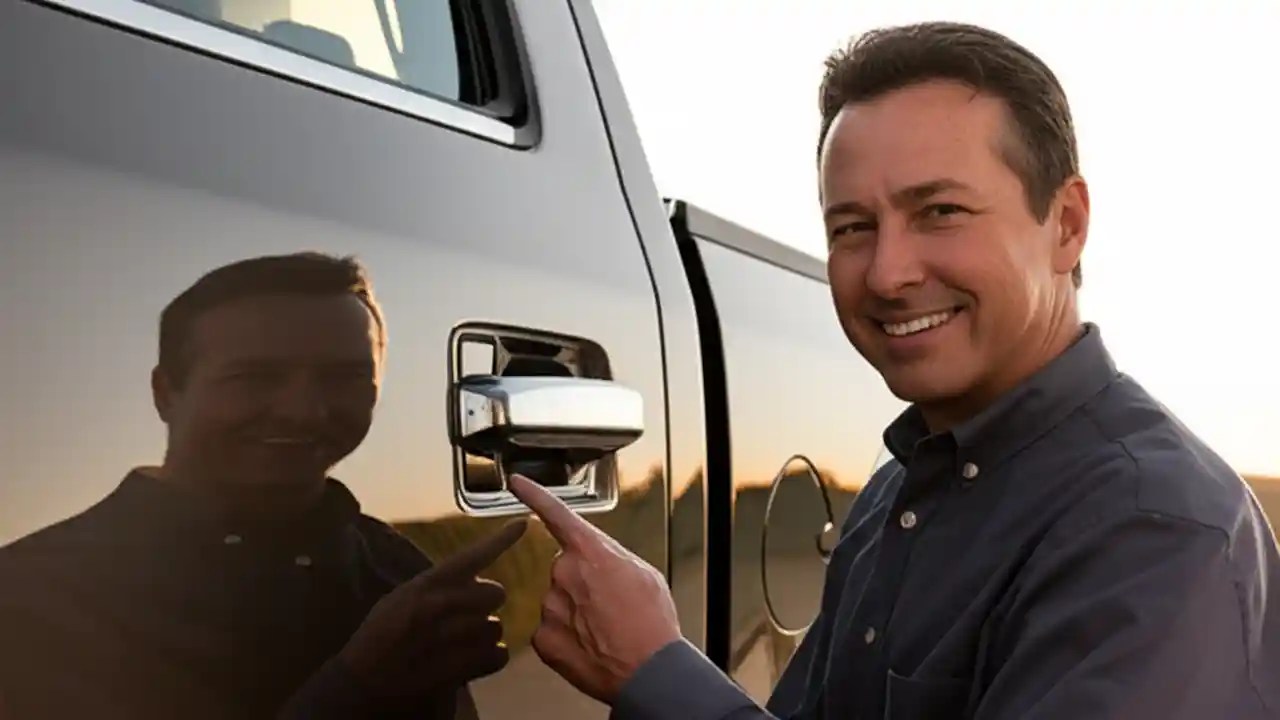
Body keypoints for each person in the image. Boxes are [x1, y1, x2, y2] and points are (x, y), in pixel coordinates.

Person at [504, 21, 1280, 720]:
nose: (887, 273)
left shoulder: (1153, 530)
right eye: (852, 227)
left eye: (940, 211)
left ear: (1066, 224)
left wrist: (658, 673)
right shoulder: (898, 492)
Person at [0, 252, 524, 719]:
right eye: (254, 378)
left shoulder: (396, 568)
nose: (303, 411)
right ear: (165, 393)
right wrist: (358, 689)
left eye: (343, 378)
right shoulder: (32, 598)